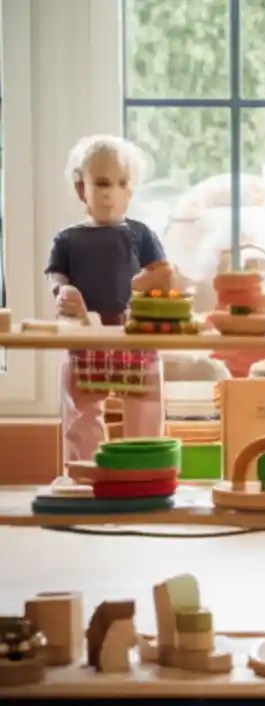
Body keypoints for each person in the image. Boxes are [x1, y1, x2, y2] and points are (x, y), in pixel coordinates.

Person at [45, 135, 167, 463]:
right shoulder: (67, 239)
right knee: (81, 414)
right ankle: (84, 475)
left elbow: (162, 272)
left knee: (145, 408)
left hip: (134, 336)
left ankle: (145, 470)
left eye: (120, 183)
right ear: (81, 189)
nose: (110, 192)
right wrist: (63, 291)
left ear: (130, 190)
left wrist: (156, 280)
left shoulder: (141, 234)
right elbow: (56, 275)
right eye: (100, 183)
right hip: (85, 336)